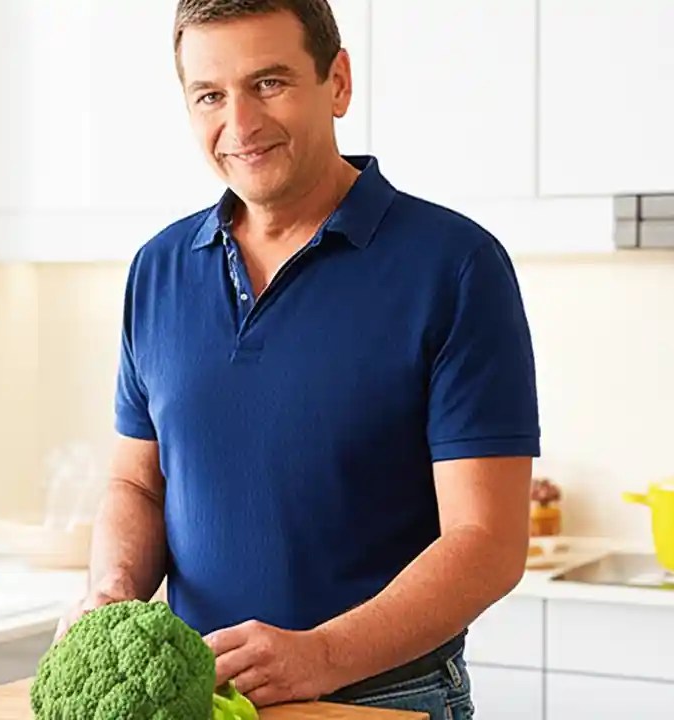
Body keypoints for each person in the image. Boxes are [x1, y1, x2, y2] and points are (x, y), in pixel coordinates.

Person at [54, 1, 539, 717]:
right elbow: (138, 484)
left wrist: (322, 655)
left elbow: (488, 542)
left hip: (383, 701)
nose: (241, 124)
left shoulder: (455, 265)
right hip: (203, 699)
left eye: (269, 83)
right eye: (210, 95)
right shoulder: (157, 269)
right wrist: (114, 592)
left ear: (337, 82)